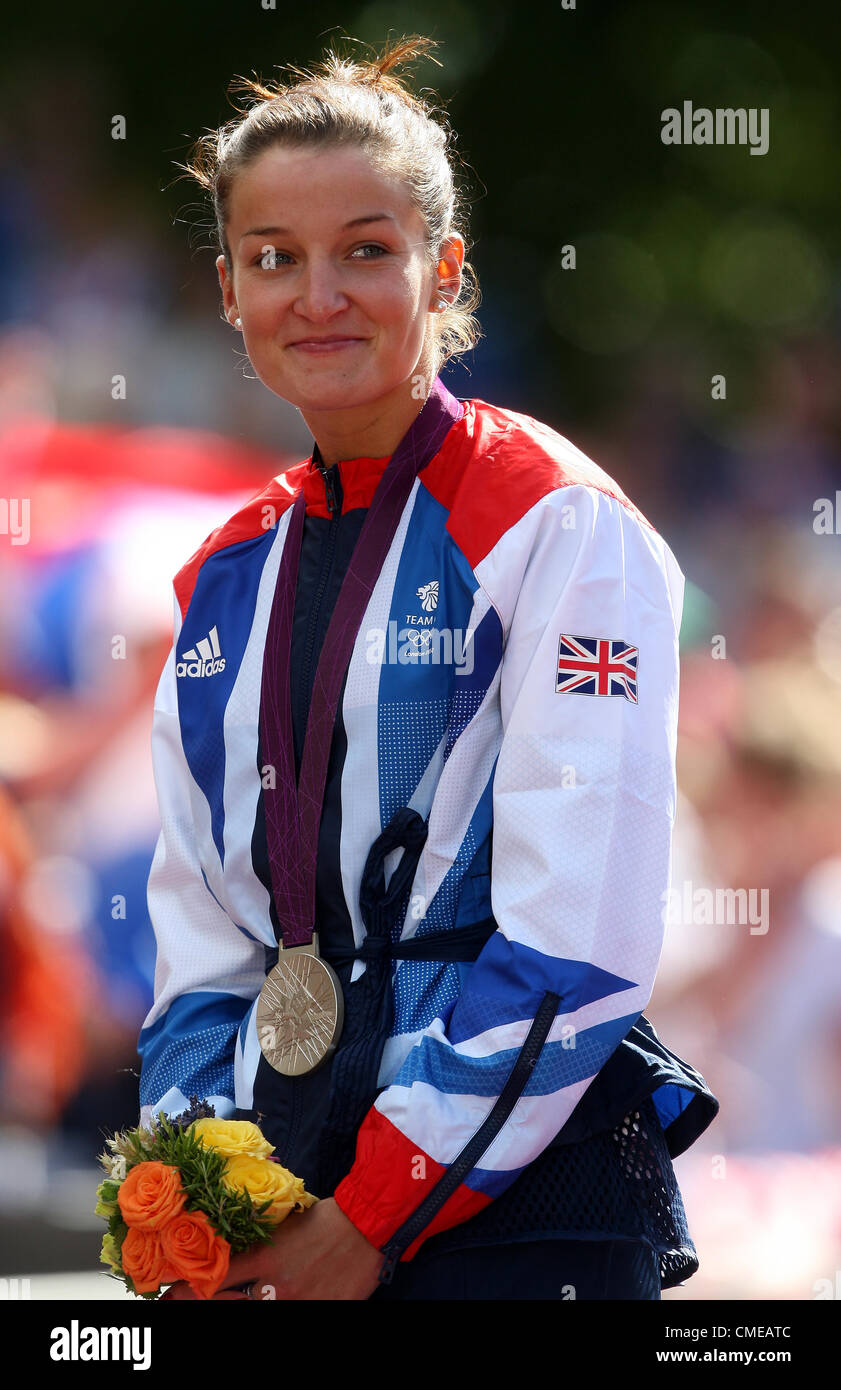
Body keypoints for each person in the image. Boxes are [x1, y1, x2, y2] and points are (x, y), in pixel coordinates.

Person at [139, 34, 718, 1301]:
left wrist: (374, 1215)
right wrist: (194, 1193)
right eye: (271, 259)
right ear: (229, 289)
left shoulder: (556, 521)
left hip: (513, 1209)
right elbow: (201, 933)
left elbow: (583, 933)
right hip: (284, 1193)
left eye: (366, 248)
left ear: (443, 268)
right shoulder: (221, 573)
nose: (317, 294)